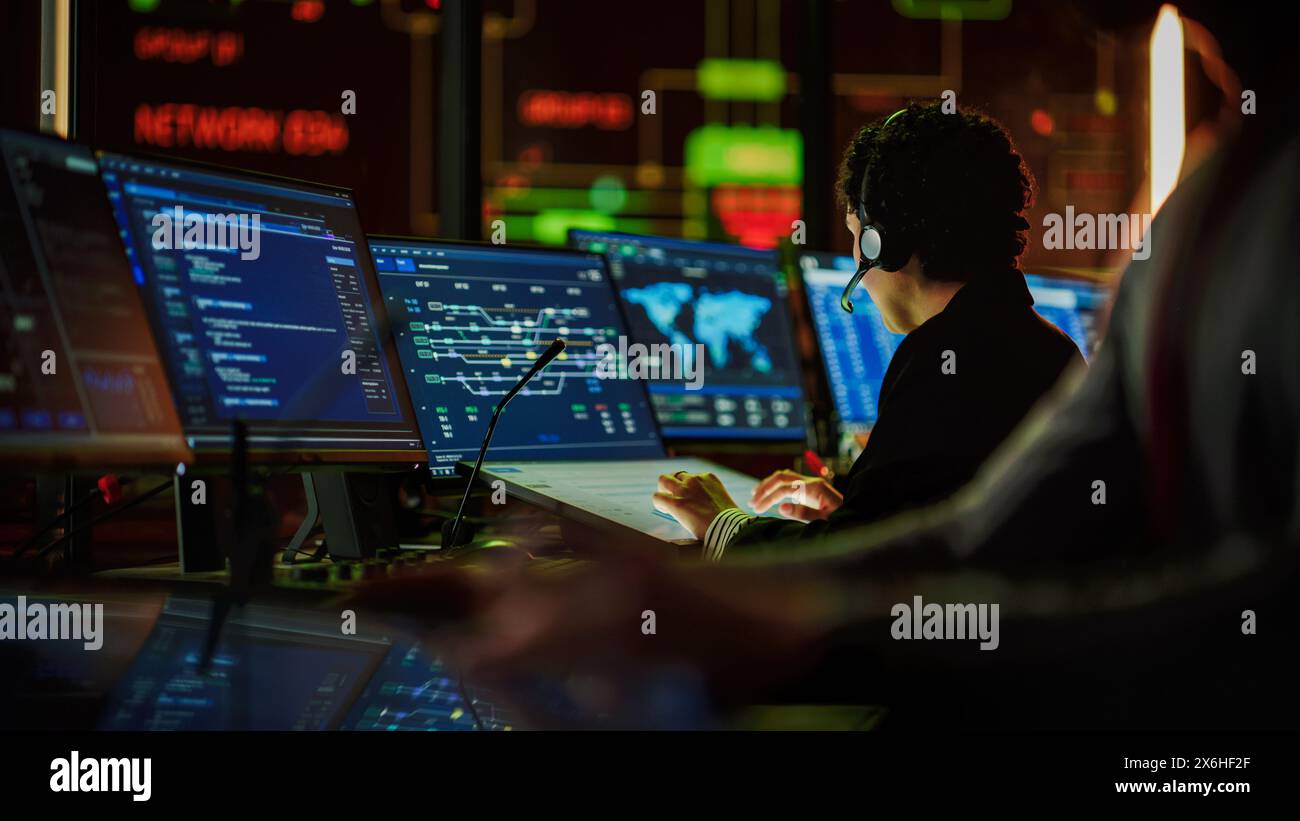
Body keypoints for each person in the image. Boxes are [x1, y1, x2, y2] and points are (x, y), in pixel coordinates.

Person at [652, 103, 1083, 559]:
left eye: (856, 233)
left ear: (884, 243)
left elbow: (855, 578)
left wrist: (724, 524)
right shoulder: (1048, 348)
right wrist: (857, 514)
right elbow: (935, 531)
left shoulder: (944, 357)